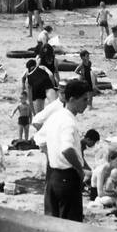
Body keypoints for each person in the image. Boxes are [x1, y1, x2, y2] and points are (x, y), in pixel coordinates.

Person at [37, 80, 90, 222]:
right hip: (68, 177)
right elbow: (67, 149)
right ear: (72, 99)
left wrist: (52, 156)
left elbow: (40, 140)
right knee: (71, 223)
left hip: (54, 176)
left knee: (54, 221)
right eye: (84, 100)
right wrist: (80, 169)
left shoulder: (56, 116)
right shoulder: (69, 122)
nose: (87, 104)